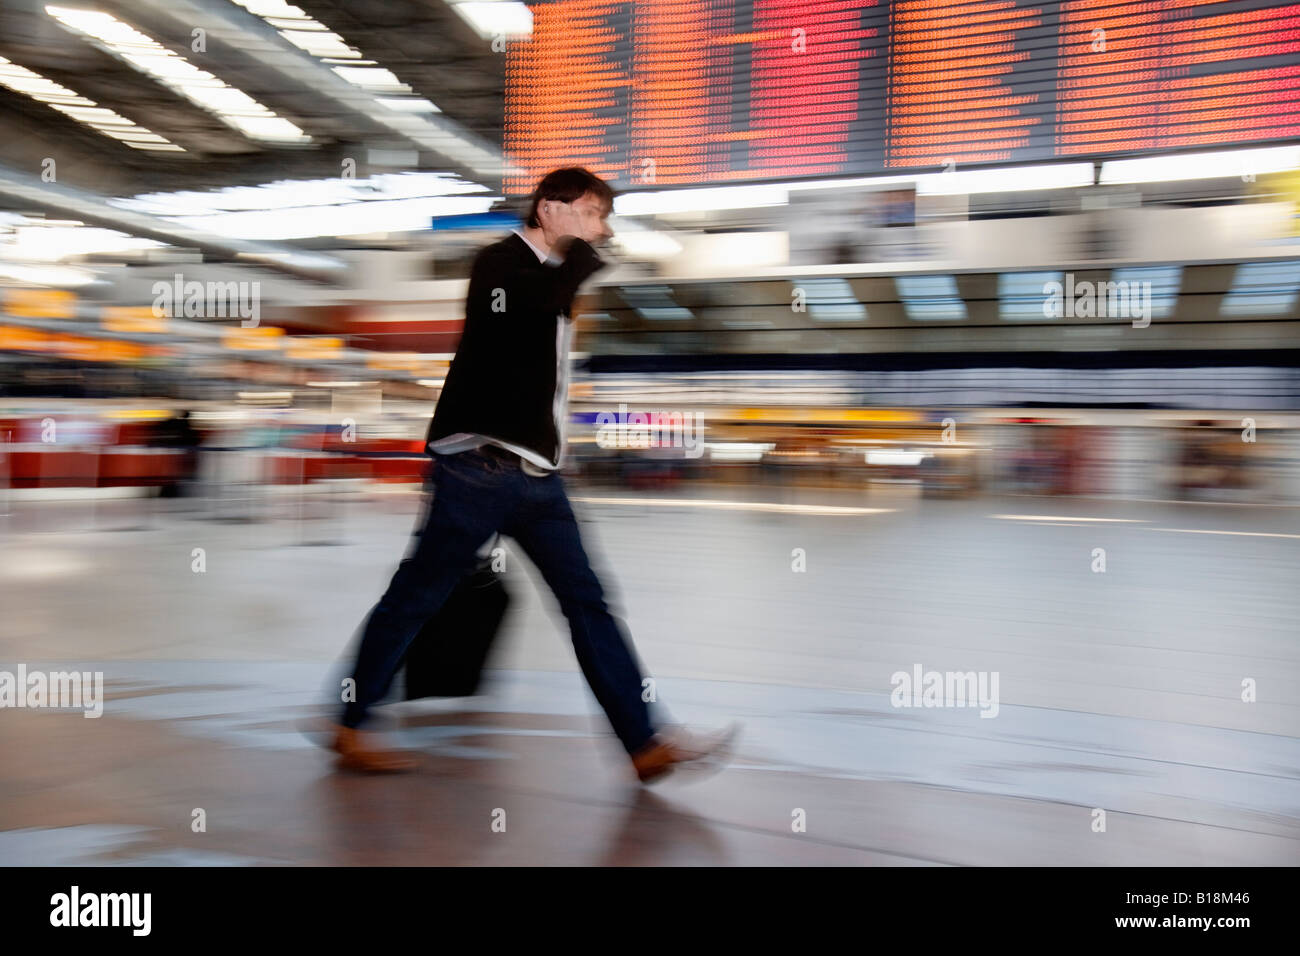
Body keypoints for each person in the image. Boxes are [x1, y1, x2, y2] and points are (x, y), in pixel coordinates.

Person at [332, 167, 737, 783]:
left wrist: (581, 255)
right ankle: (349, 723)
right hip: (476, 472)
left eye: (604, 217)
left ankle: (644, 741)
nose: (600, 228)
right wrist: (586, 255)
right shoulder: (498, 265)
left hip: (539, 480)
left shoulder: (551, 278)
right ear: (549, 209)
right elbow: (536, 300)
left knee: (588, 603)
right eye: (591, 213)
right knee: (415, 599)